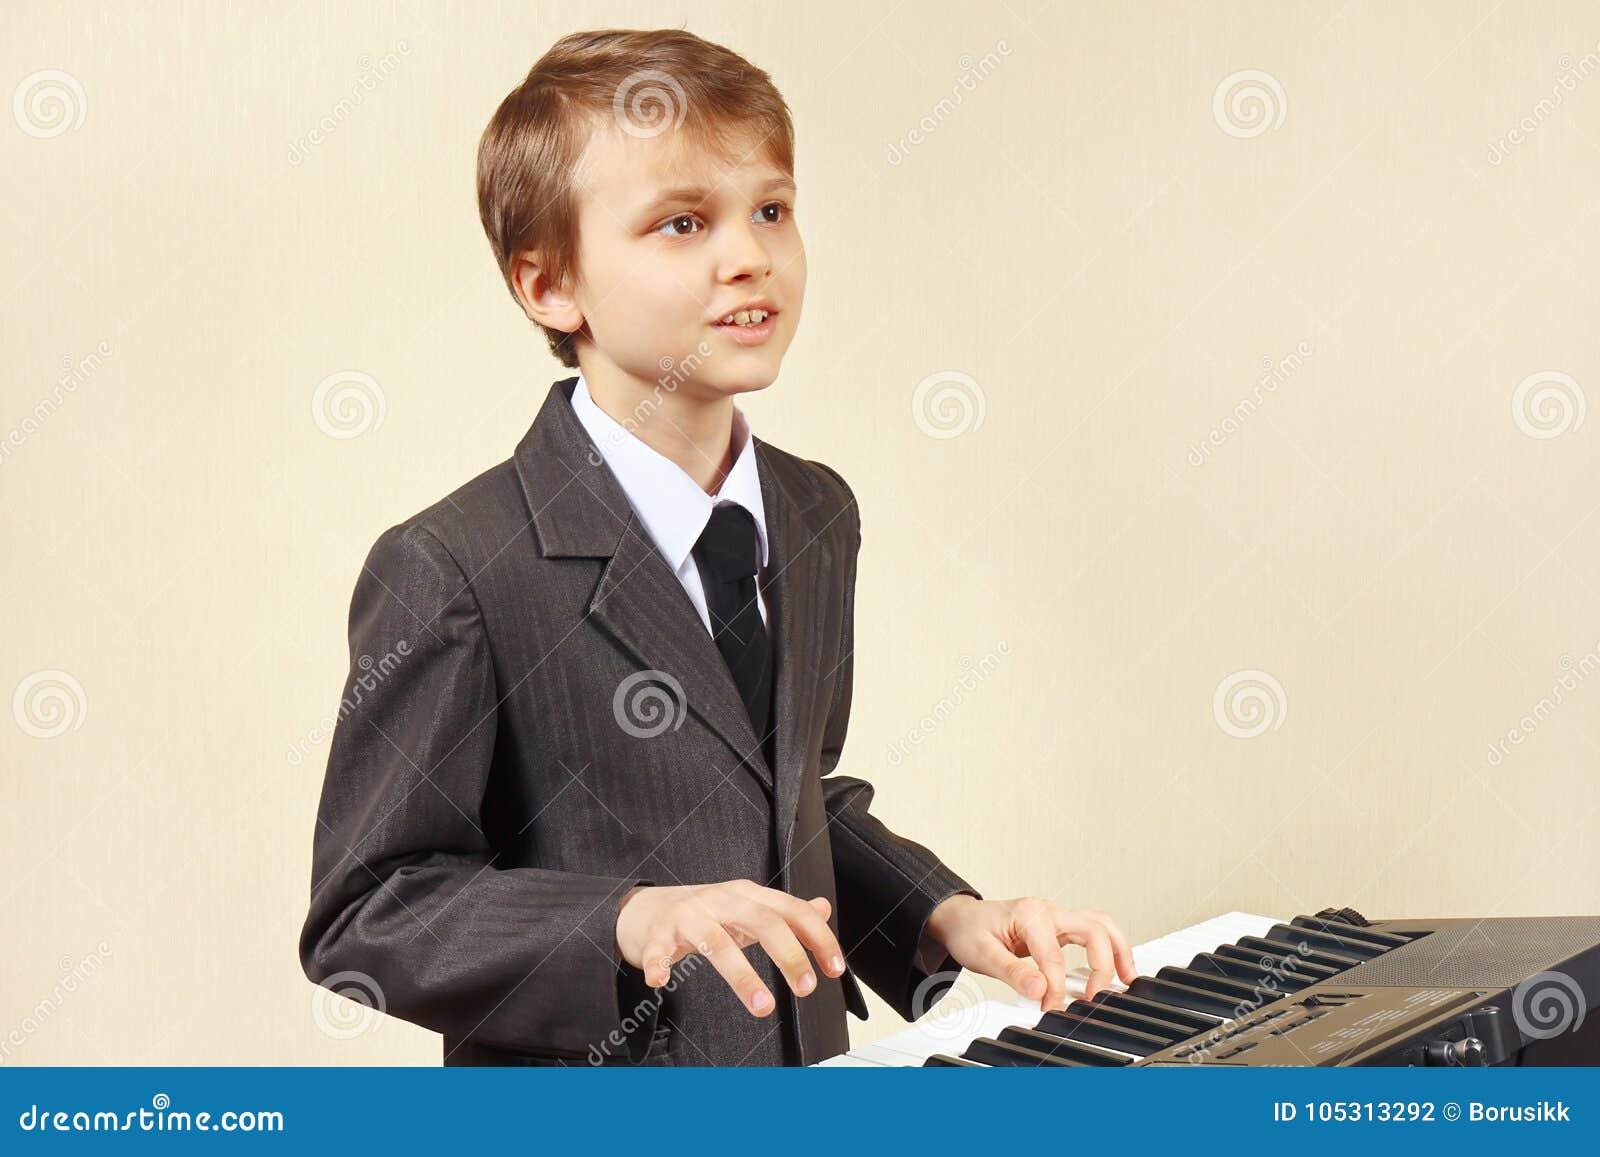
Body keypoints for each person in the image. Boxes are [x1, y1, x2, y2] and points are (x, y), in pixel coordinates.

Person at [299, 26, 1136, 1067]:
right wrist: (627, 918)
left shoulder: (817, 511)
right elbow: (369, 912)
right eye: (683, 222)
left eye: (771, 210)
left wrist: (948, 913)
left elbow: (788, 802)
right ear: (549, 285)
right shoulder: (455, 564)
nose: (750, 256)